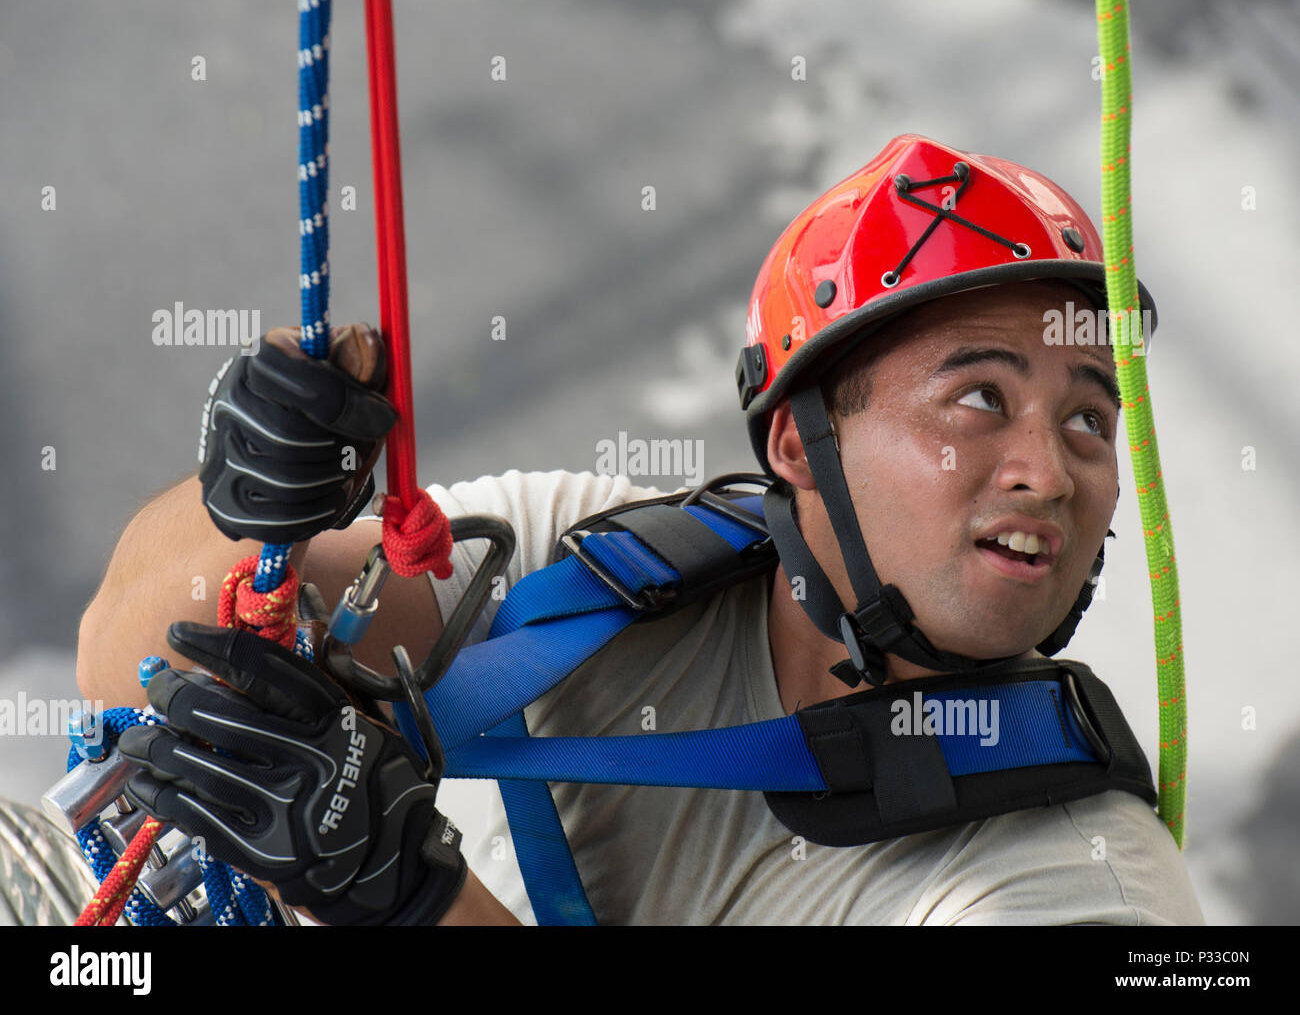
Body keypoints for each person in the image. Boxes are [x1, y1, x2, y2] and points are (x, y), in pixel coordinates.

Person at [76, 134, 1204, 925]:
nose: (1048, 472)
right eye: (980, 399)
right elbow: (123, 654)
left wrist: (413, 903)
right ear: (800, 446)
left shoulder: (1072, 892)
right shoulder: (598, 572)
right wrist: (250, 505)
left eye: (1089, 420)